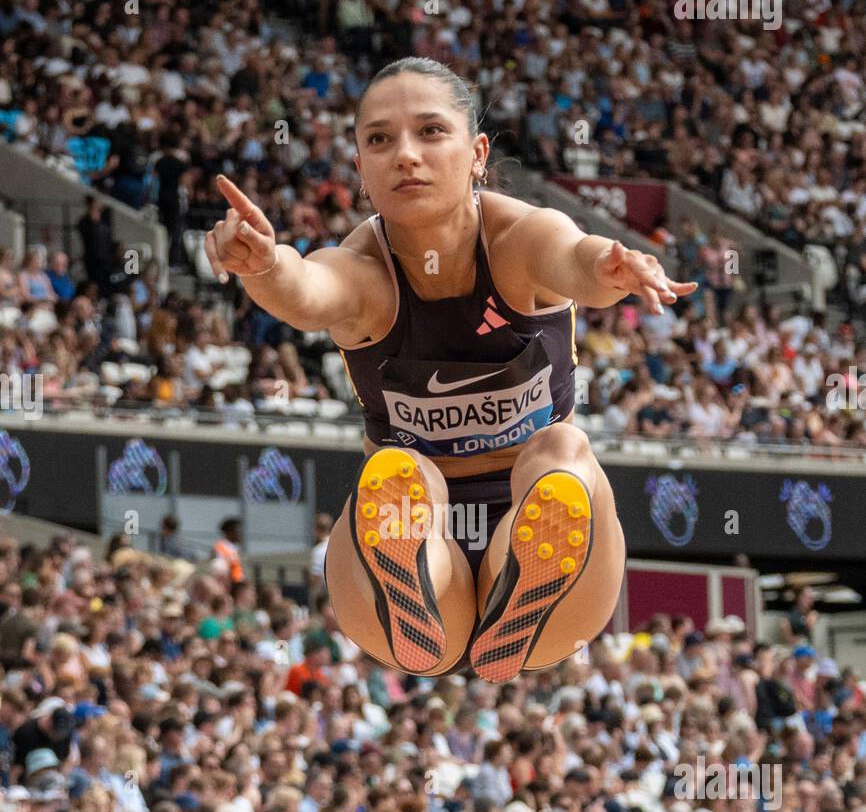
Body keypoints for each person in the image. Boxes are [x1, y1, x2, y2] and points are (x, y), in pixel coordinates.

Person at [206, 58, 694, 684]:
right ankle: (420, 584)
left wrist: (608, 267)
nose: (405, 155)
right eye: (379, 139)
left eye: (430, 131)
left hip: (551, 552)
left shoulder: (519, 239)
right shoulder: (364, 270)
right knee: (404, 475)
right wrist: (265, 266)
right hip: (404, 558)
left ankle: (516, 584)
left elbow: (571, 255)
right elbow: (308, 289)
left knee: (561, 449)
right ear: (359, 168)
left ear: (477, 152)